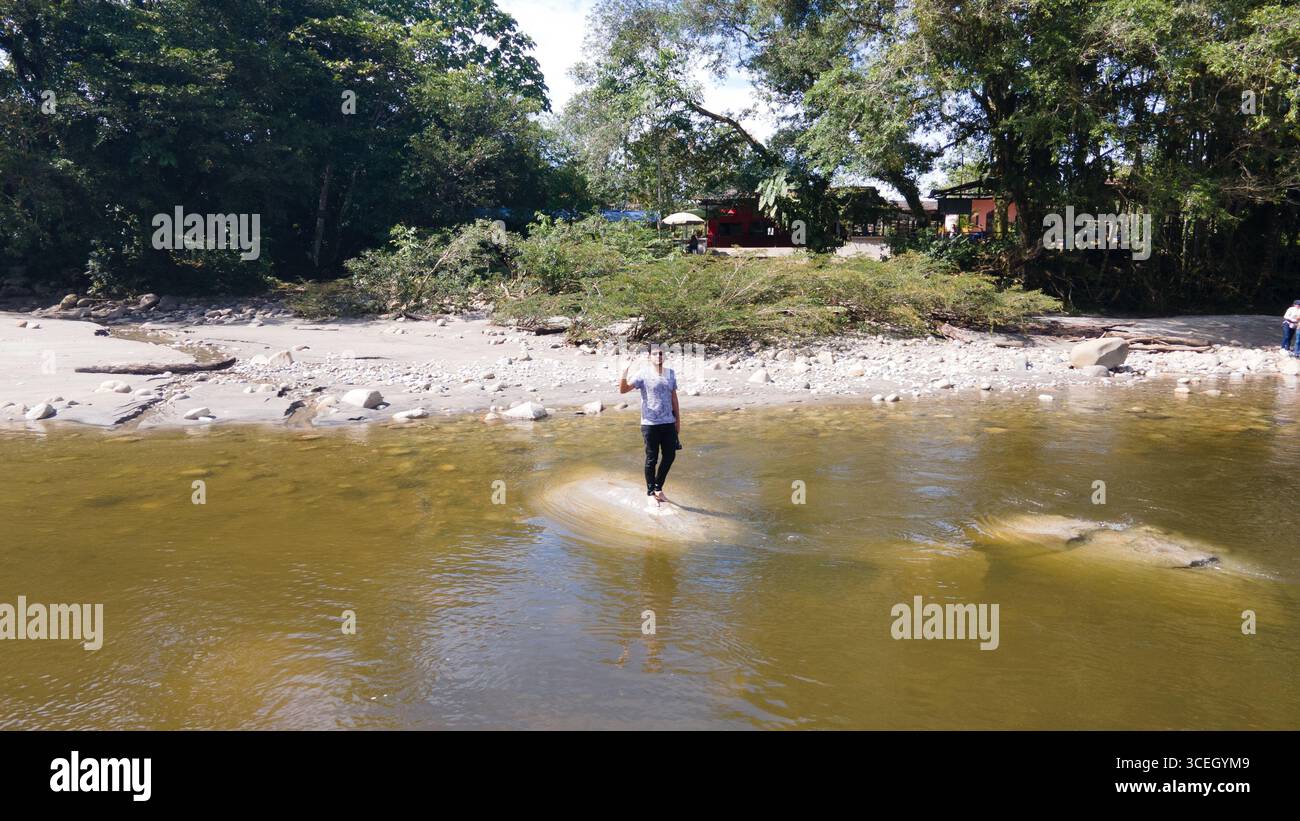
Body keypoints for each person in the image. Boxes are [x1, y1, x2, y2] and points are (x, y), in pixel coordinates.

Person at [619, 345, 681, 504]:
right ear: (649, 357)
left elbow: (674, 398)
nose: (658, 356)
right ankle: (650, 492)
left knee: (670, 456)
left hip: (668, 422)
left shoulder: (670, 374)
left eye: (661, 354)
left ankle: (658, 487)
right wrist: (624, 371)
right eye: (655, 354)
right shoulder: (642, 374)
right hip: (650, 423)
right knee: (651, 458)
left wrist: (678, 421)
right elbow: (623, 390)